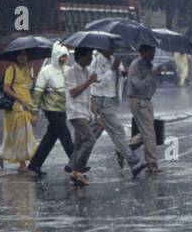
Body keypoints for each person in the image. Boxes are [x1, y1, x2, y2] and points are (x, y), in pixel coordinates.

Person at [90, 48, 142, 177]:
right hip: (102, 100)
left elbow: (121, 74)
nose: (113, 49)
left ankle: (75, 163)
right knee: (118, 130)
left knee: (90, 136)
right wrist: (112, 68)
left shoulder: (113, 59)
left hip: (111, 99)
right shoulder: (96, 62)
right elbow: (98, 83)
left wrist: (124, 72)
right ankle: (134, 162)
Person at [28, 44, 73, 178]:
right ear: (55, 56)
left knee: (50, 137)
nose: (63, 59)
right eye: (61, 56)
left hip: (63, 109)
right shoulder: (46, 71)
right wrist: (34, 112)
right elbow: (37, 93)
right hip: (51, 110)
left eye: (65, 56)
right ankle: (76, 163)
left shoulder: (68, 71)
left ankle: (35, 164)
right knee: (65, 136)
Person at [0, 49, 37, 170]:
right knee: (21, 134)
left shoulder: (29, 69)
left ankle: (2, 154)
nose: (22, 57)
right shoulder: (11, 69)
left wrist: (33, 79)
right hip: (16, 106)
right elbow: (6, 89)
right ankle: (22, 163)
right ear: (16, 57)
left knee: (17, 136)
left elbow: (31, 88)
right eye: (20, 55)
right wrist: (19, 99)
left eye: (24, 54)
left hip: (28, 105)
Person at [65, 47, 99, 186]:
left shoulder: (87, 71)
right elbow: (73, 92)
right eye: (89, 55)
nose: (91, 58)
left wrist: (95, 113)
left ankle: (72, 167)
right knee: (90, 139)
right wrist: (88, 82)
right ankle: (78, 170)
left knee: (79, 143)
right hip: (75, 111)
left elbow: (89, 95)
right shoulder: (71, 72)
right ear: (80, 57)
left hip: (84, 111)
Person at [125, 43, 161, 174]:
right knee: (149, 133)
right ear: (144, 52)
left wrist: (156, 75)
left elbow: (150, 84)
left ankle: (123, 148)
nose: (153, 55)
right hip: (138, 101)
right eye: (151, 52)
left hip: (147, 100)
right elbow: (138, 86)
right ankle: (152, 164)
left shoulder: (149, 65)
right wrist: (152, 76)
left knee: (147, 132)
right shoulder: (136, 65)